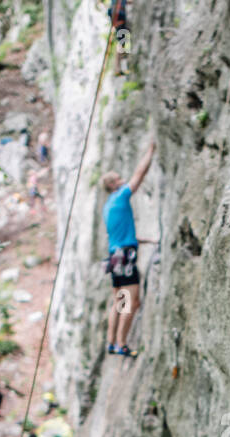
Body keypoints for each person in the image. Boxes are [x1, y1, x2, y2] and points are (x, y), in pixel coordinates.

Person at [101, 137, 155, 357]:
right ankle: (122, 343)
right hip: (126, 257)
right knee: (132, 301)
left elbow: (120, 235)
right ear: (113, 185)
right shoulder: (121, 196)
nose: (123, 180)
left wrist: (145, 241)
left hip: (115, 256)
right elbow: (138, 175)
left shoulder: (108, 207)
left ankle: (111, 342)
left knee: (119, 301)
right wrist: (150, 149)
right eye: (118, 178)